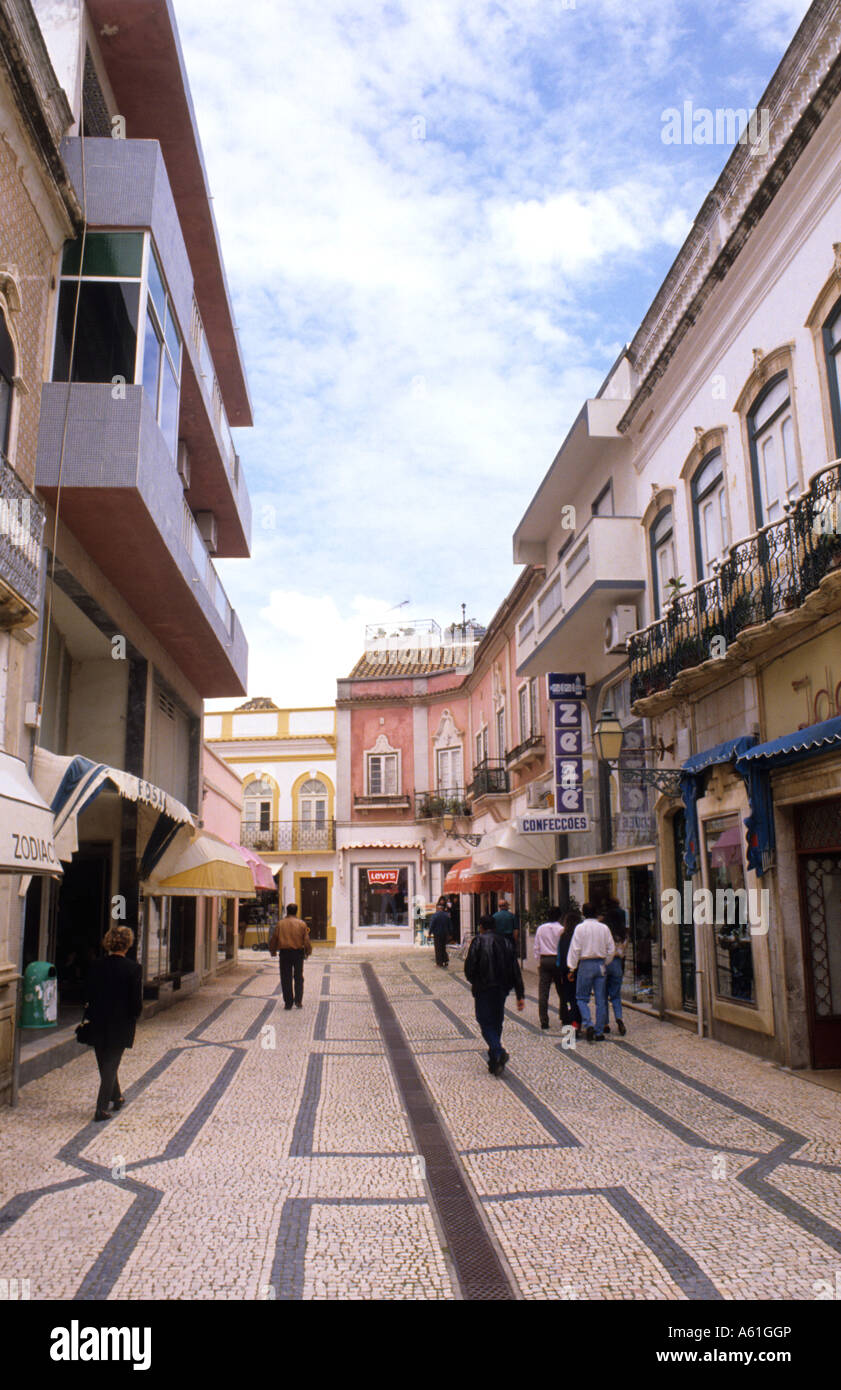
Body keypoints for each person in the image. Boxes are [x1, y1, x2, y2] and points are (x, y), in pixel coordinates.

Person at [83, 925, 143, 1123]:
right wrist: (135, 1015)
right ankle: (101, 1108)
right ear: (128, 944)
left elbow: (88, 992)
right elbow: (135, 1001)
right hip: (121, 1023)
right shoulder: (133, 968)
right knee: (111, 1063)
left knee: (105, 1063)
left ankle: (116, 1097)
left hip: (98, 1020)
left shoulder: (96, 965)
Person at [465, 914, 524, 1075]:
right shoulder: (506, 942)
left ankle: (498, 1052)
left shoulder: (478, 941)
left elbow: (469, 967)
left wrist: (475, 981)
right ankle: (495, 1061)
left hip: (484, 987)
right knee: (497, 1021)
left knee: (484, 1021)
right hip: (502, 988)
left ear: (481, 927)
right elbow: (515, 969)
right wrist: (520, 993)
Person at [566, 902, 615, 1042]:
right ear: (596, 912)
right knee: (601, 1000)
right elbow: (611, 949)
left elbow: (575, 949)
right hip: (600, 964)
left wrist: (571, 968)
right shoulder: (604, 928)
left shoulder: (580, 928)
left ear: (583, 913)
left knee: (581, 998)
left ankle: (588, 1024)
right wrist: (605, 962)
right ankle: (599, 1031)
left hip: (585, 964)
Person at [270, 903, 312, 1009]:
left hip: (284, 953)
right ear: (296, 911)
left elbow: (274, 938)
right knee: (298, 977)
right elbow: (306, 940)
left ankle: (288, 1002)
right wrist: (308, 951)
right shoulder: (302, 924)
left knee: (286, 978)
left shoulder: (280, 924)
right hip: (298, 953)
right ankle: (298, 1001)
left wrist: (273, 951)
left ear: (287, 911)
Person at [533, 907, 564, 1029]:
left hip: (545, 960)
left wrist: (539, 961)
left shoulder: (541, 928)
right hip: (558, 960)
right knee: (562, 990)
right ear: (559, 916)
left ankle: (544, 1020)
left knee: (543, 991)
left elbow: (536, 946)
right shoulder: (562, 929)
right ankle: (563, 1016)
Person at [601, 897, 628, 1036]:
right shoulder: (622, 933)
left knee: (603, 994)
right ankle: (619, 1018)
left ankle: (605, 1023)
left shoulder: (604, 929)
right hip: (617, 964)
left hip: (605, 964)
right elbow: (624, 949)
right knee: (616, 995)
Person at [556, 909, 583, 1031]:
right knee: (579, 997)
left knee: (569, 997)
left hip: (566, 971)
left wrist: (561, 972)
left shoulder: (563, 937)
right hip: (579, 969)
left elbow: (560, 955)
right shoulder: (579, 937)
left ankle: (571, 1020)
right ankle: (577, 1021)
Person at [429, 897, 453, 968]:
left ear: (438, 908)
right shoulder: (446, 916)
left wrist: (430, 933)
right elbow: (450, 925)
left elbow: (432, 925)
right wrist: (450, 933)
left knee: (438, 948)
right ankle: (445, 960)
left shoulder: (435, 916)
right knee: (443, 947)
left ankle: (439, 963)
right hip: (445, 934)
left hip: (437, 934)